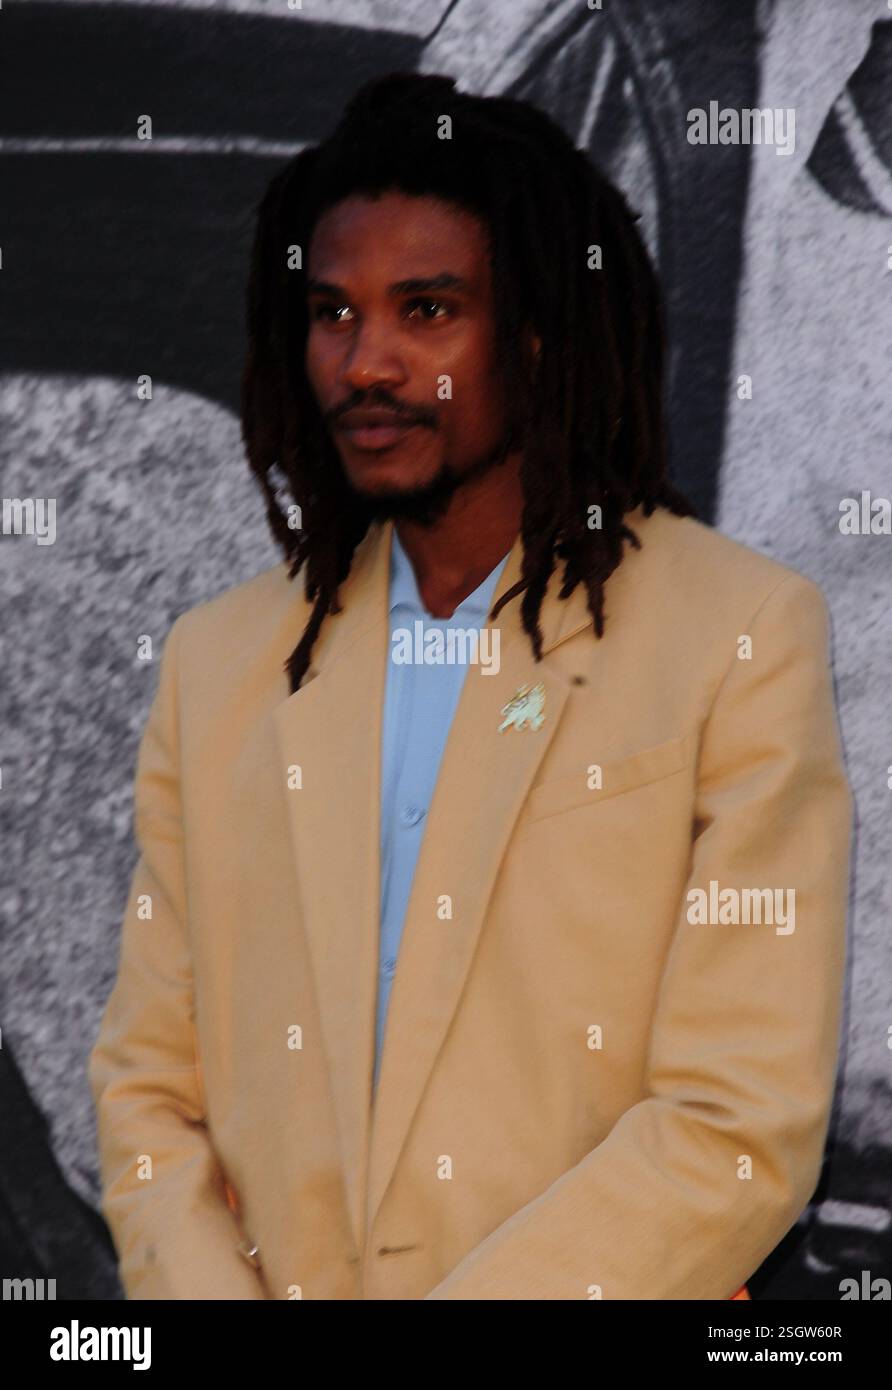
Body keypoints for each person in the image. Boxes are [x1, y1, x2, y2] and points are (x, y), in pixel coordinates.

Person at [88, 72, 852, 1300]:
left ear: (537, 333)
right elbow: (149, 1093)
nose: (365, 360)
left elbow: (735, 1122)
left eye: (427, 309)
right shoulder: (218, 663)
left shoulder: (739, 634)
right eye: (332, 312)